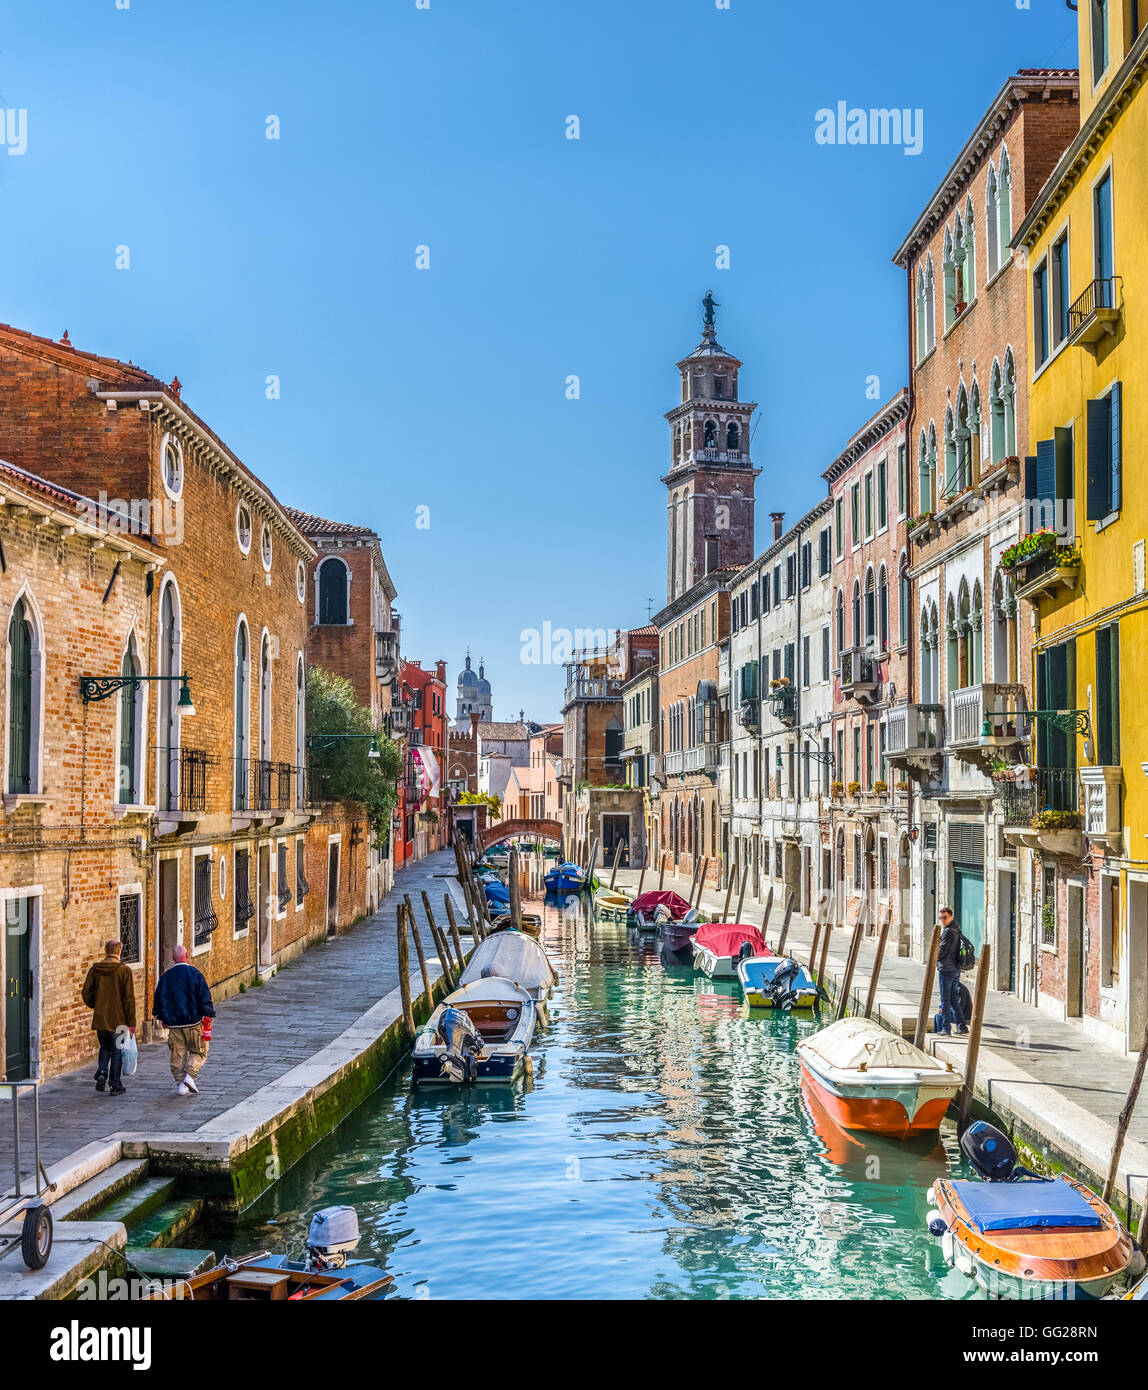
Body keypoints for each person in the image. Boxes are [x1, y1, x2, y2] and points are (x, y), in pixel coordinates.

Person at [152, 944, 215, 1096]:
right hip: (193, 1021)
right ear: (187, 956)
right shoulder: (195, 974)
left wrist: (161, 1017)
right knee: (199, 1051)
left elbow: (159, 999)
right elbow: (204, 997)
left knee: (178, 1053)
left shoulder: (166, 977)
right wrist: (208, 1015)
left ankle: (181, 1085)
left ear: (173, 958)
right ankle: (189, 1076)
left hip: (174, 1024)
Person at [81, 939, 136, 1095]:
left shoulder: (95, 969)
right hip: (119, 1022)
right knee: (117, 1051)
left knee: (105, 1048)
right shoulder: (124, 971)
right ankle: (115, 1085)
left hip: (101, 1020)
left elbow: (85, 993)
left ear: (106, 951)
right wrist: (131, 1023)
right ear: (119, 952)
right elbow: (129, 1000)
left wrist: (96, 1005)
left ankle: (102, 1072)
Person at [936, 907, 969, 1036]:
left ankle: (946, 1028)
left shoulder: (948, 932)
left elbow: (942, 950)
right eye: (941, 918)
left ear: (951, 917)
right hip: (955, 968)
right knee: (954, 999)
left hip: (946, 969)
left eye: (945, 917)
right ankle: (961, 1026)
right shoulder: (956, 929)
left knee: (945, 999)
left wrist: (934, 958)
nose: (943, 920)